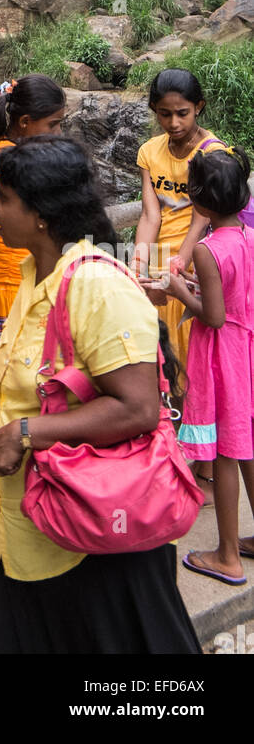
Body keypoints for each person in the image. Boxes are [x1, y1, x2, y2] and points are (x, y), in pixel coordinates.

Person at [0, 135, 201, 654]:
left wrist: (26, 432)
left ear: (39, 215)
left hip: (95, 537)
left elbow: (139, 407)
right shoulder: (39, 275)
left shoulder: (96, 285)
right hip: (30, 528)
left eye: (5, 198)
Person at [159, 147, 254, 586]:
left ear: (197, 200)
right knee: (248, 446)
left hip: (221, 356)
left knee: (226, 456)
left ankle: (228, 555)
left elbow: (212, 316)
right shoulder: (248, 237)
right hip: (246, 350)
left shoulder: (207, 251)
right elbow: (236, 295)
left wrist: (180, 290)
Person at [0, 75, 65, 415]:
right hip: (14, 286)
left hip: (31, 279)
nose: (57, 133)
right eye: (52, 125)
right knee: (22, 394)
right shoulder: (4, 156)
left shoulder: (16, 150)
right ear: (25, 122)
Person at [134, 69, 225, 368]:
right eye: (165, 114)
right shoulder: (149, 152)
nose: (174, 122)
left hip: (197, 269)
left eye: (182, 113)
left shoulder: (212, 154)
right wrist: (138, 273)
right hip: (162, 266)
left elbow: (202, 219)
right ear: (154, 112)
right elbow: (150, 216)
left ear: (199, 106)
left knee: (192, 362)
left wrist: (175, 272)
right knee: (163, 364)